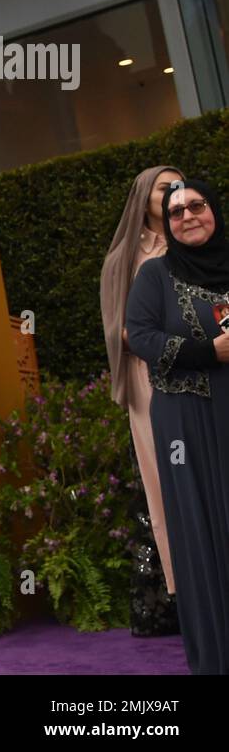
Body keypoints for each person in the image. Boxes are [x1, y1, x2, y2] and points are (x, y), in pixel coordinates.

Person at [125, 179, 229, 674]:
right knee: (206, 526)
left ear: (214, 210)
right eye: (176, 212)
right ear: (166, 225)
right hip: (190, 421)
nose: (188, 216)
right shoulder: (154, 275)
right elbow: (140, 337)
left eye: (197, 205)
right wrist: (208, 352)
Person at [100, 166, 182, 635]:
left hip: (208, 374)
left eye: (182, 184)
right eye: (164, 186)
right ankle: (188, 594)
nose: (176, 192)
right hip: (151, 382)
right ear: (143, 197)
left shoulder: (195, 245)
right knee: (166, 488)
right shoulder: (122, 261)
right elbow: (119, 334)